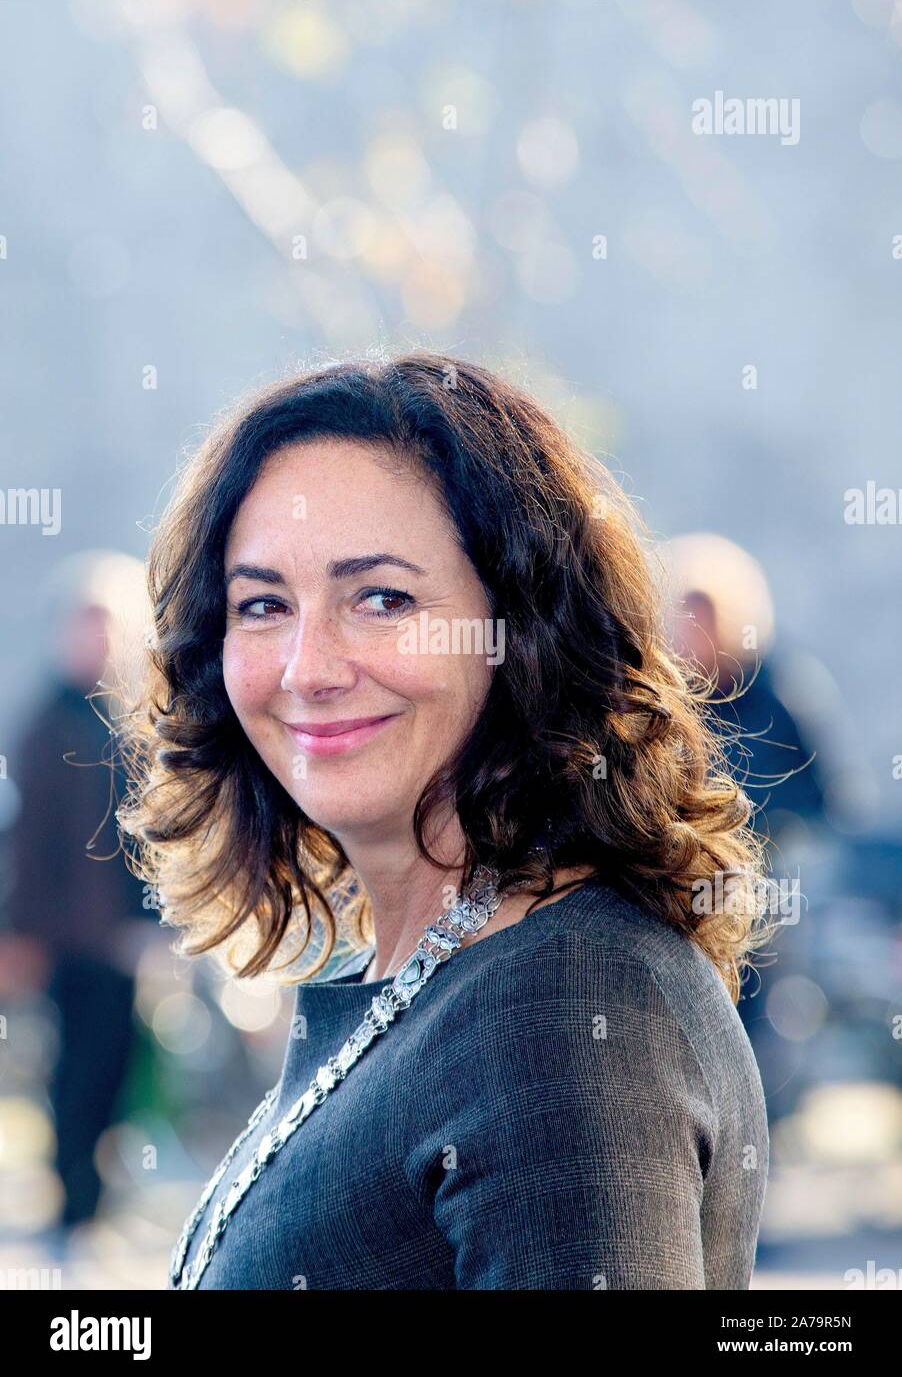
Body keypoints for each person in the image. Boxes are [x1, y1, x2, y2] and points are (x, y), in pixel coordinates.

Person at [119, 351, 774, 1290]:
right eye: (262, 605)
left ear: (521, 632)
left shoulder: (563, 1008)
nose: (308, 666)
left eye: (381, 598)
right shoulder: (433, 969)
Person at [4, 553, 152, 1231]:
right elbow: (29, 845)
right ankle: (73, 1198)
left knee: (119, 1060)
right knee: (75, 1068)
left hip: (121, 938)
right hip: (65, 937)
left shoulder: (123, 721)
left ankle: (94, 1189)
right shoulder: (45, 727)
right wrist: (20, 934)